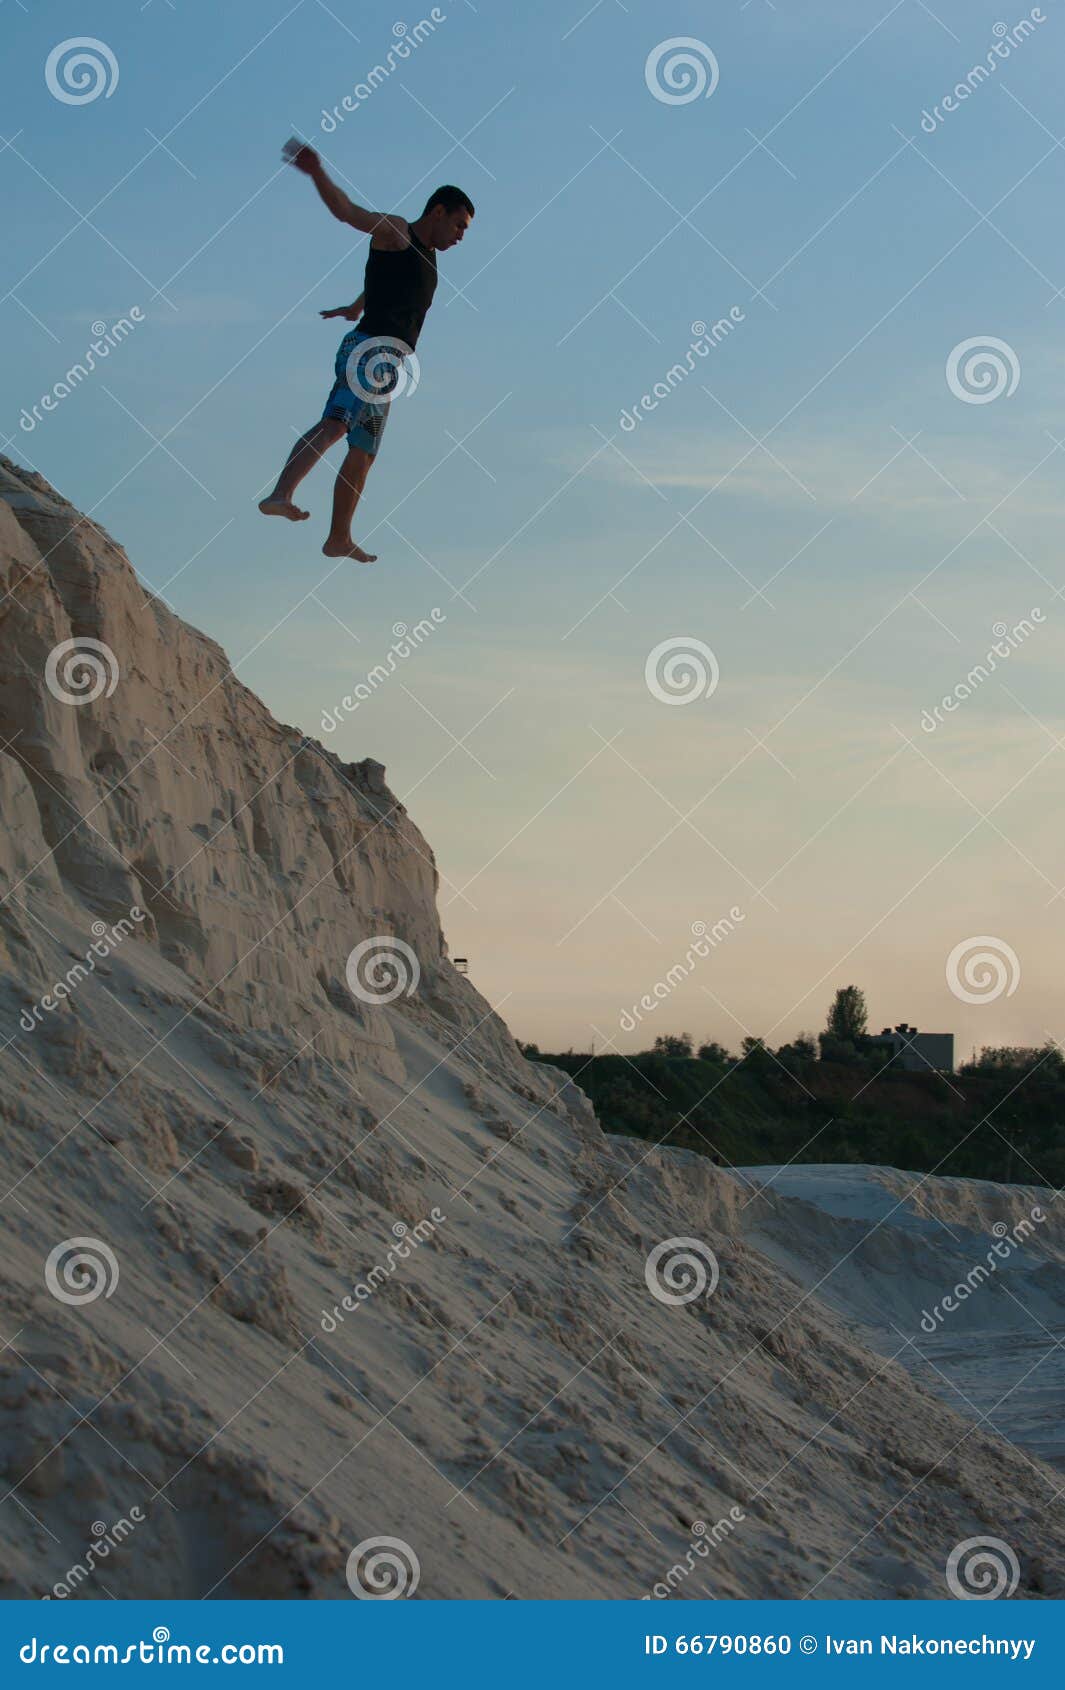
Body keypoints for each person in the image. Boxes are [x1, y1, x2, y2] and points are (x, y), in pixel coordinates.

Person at [259, 141, 474, 563]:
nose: (460, 236)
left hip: (386, 366)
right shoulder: (396, 231)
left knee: (363, 453)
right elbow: (347, 212)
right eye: (459, 225)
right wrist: (316, 171)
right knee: (335, 425)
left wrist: (356, 304)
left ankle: (339, 536)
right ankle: (280, 494)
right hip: (367, 352)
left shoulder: (427, 257)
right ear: (438, 212)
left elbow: (390, 285)